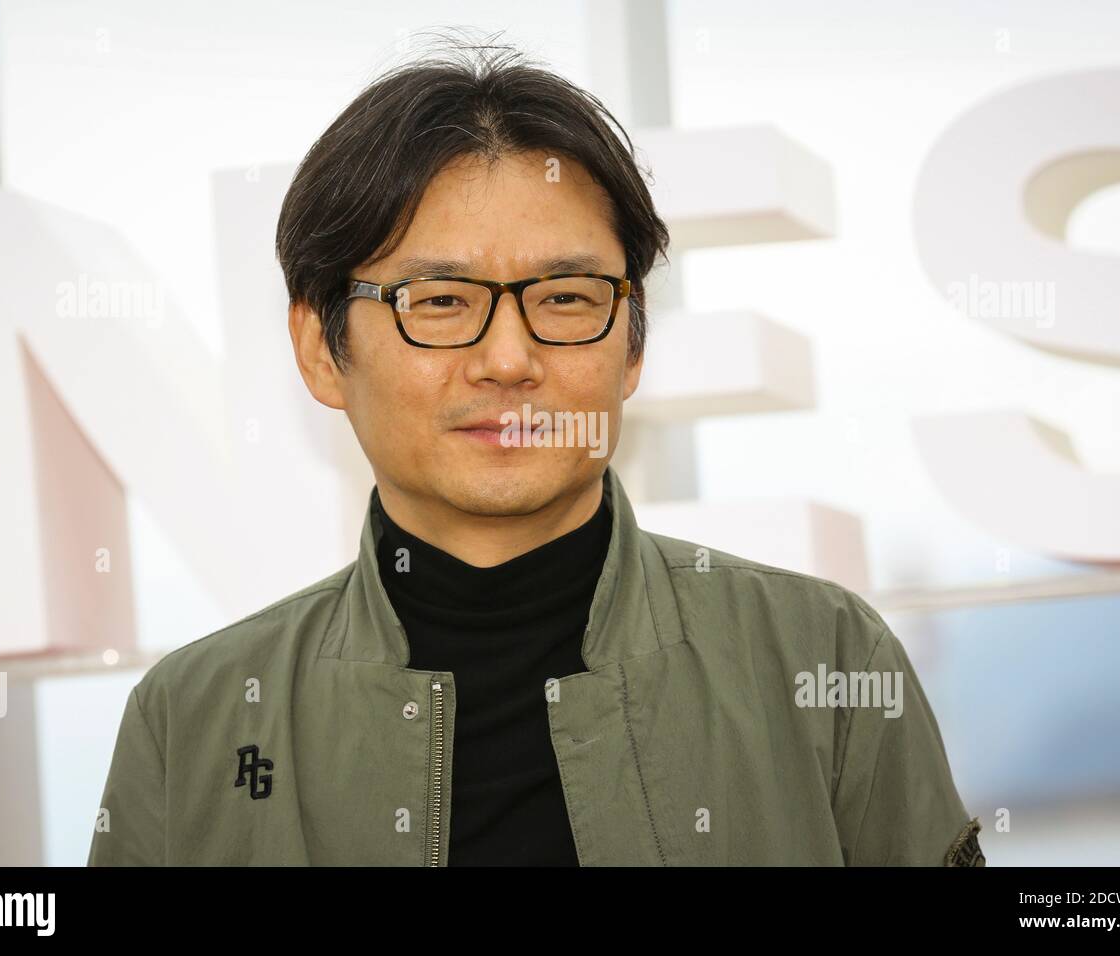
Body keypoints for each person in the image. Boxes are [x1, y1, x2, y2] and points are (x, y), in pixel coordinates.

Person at [88, 37, 983, 867]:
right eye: (438, 301)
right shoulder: (192, 721)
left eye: (563, 297)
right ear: (322, 350)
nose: (510, 359)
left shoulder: (823, 662)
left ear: (632, 343)